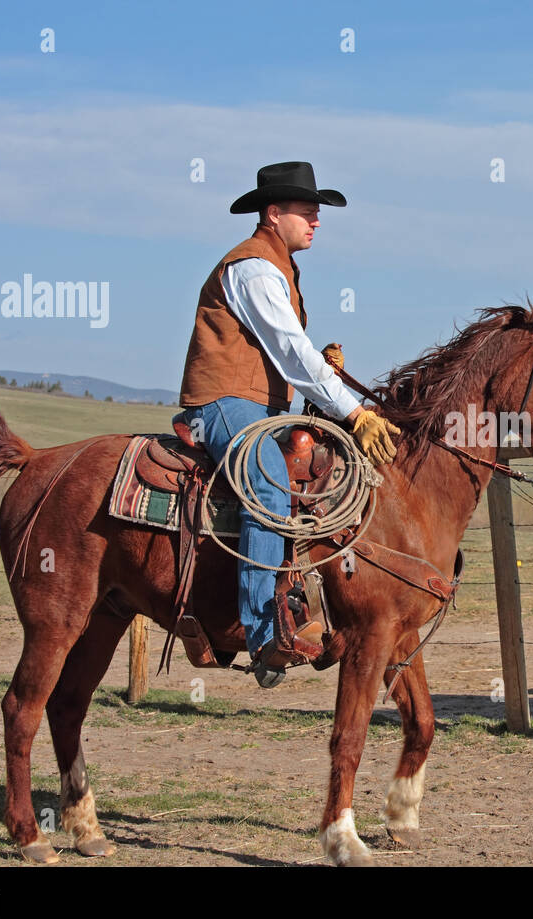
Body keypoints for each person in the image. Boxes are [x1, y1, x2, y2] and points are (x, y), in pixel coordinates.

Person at [178, 161, 400, 685]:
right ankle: (263, 633)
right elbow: (290, 351)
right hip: (223, 403)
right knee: (269, 486)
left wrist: (325, 373)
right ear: (274, 213)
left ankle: (304, 601)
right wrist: (354, 411)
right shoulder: (254, 268)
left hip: (260, 406)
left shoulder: (277, 267)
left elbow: (289, 353)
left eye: (318, 213)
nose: (316, 221)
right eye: (307, 211)